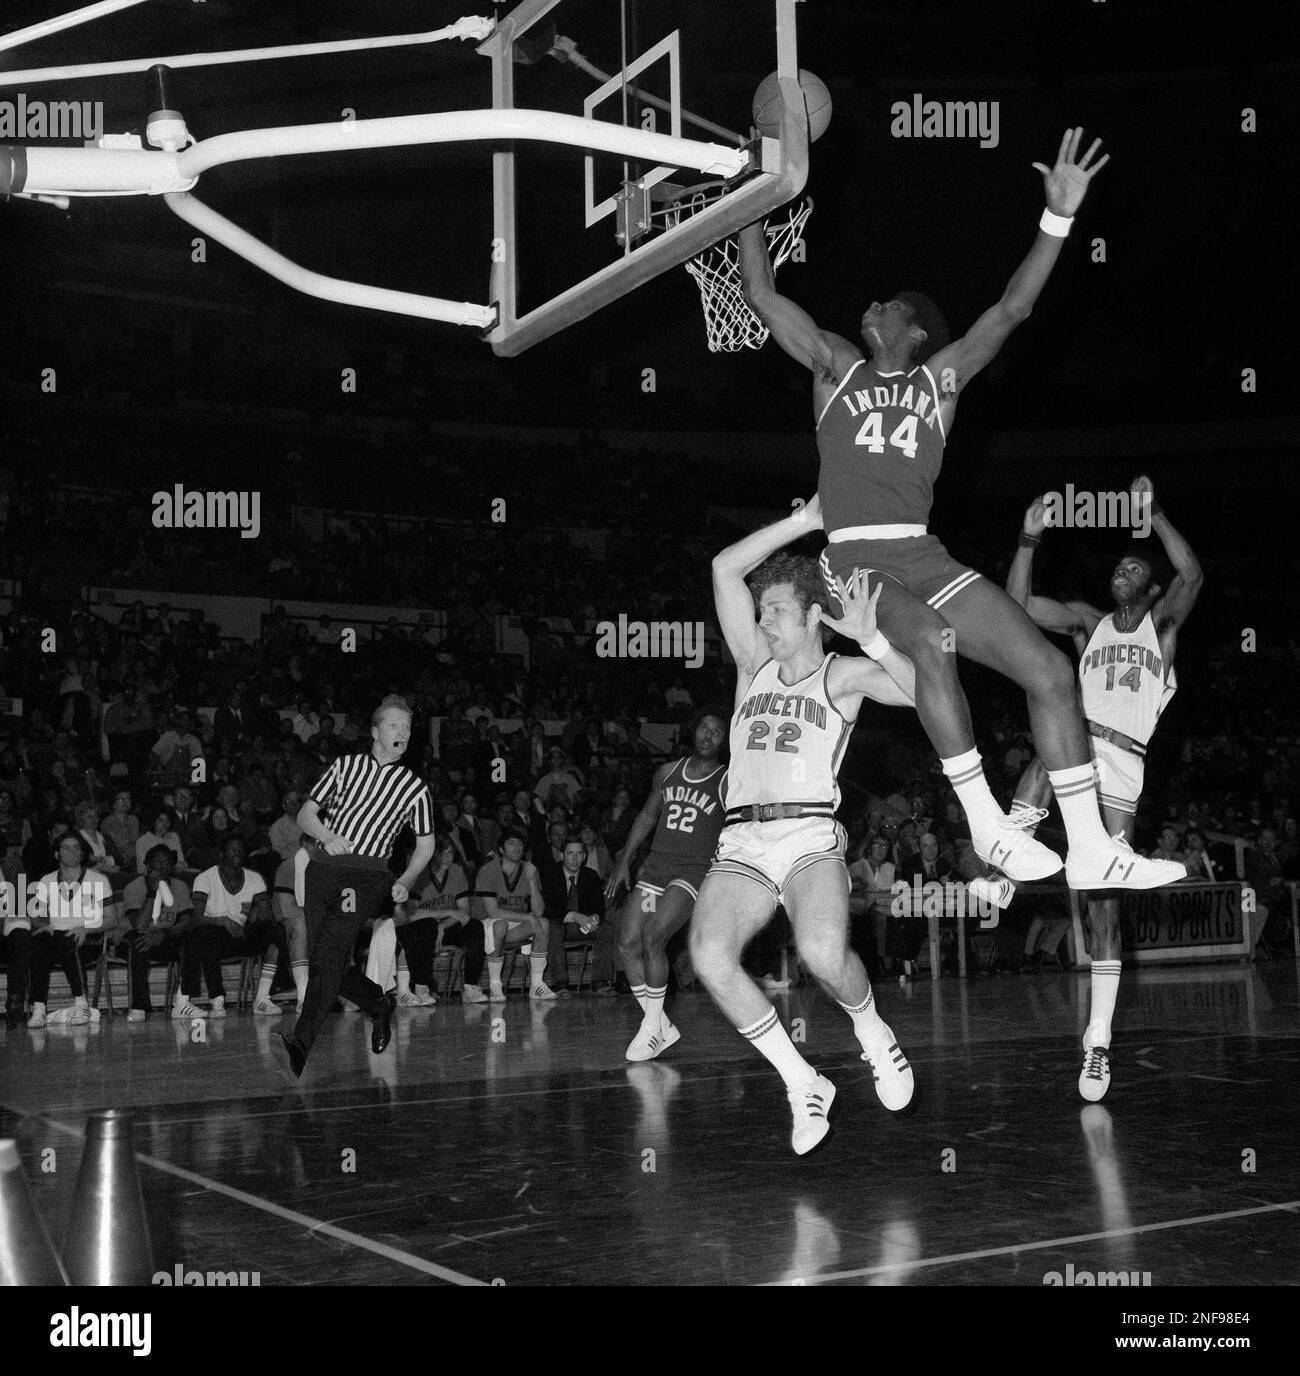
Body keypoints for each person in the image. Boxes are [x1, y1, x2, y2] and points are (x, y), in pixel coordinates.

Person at [739, 129, 1182, 901]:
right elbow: (762, 295)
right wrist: (747, 202)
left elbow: (1011, 310)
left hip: (923, 553)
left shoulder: (939, 381)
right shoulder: (835, 367)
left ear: (914, 334)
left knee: (1048, 671)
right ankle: (987, 826)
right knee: (933, 648)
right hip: (851, 561)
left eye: (893, 305)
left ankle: (1090, 849)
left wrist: (1058, 219)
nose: (874, 303)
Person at [689, 498, 918, 1155]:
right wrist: (804, 520)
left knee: (821, 955)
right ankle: (802, 1081)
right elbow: (724, 567)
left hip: (809, 837)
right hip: (742, 841)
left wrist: (872, 636)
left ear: (815, 615)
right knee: (709, 956)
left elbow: (916, 691)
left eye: (778, 610)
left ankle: (875, 1033)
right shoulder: (751, 665)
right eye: (762, 613)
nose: (765, 621)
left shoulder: (840, 674)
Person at [991, 475, 1201, 1100]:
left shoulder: (1160, 628)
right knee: (1046, 759)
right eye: (1118, 567)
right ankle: (1005, 872)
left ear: (1151, 587)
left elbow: (1191, 575)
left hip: (1126, 768)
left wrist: (1153, 514)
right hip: (1080, 741)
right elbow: (1016, 608)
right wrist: (1028, 539)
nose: (1121, 573)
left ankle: (1099, 1042)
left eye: (1134, 567)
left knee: (1102, 911)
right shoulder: (1088, 625)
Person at [271, 697, 436, 1078]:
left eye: (408, 727)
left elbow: (426, 845)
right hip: (322, 870)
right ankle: (377, 1004)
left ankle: (300, 1044)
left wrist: (406, 879)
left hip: (367, 874)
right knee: (323, 960)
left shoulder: (414, 787)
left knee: (328, 954)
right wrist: (327, 836)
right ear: (376, 731)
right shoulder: (346, 766)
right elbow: (306, 813)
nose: (403, 732)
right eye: (395, 725)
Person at [605, 708, 728, 1060]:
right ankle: (659, 1026)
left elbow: (740, 826)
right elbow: (646, 816)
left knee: (653, 937)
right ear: (693, 733)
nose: (708, 735)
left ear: (723, 740)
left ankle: (650, 1029)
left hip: (691, 872)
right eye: (703, 728)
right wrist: (623, 862)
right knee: (627, 944)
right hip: (656, 867)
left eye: (716, 731)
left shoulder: (727, 780)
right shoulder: (667, 772)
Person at [181, 836, 280, 1019]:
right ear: (222, 853)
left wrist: (259, 915)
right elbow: (197, 917)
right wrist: (223, 921)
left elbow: (268, 914)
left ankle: (262, 999)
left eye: (241, 849)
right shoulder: (205, 878)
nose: (237, 852)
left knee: (275, 931)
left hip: (241, 933)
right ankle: (217, 1000)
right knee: (205, 935)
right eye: (232, 849)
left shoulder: (254, 878)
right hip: (215, 934)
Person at [24, 834, 117, 1028]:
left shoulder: (98, 880)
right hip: (56, 936)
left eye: (76, 848)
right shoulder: (46, 881)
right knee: (39, 944)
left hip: (89, 937)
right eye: (66, 848)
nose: (72, 852)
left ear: (83, 854)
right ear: (57, 854)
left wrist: (87, 928)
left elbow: (111, 919)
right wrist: (44, 926)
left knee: (68, 942)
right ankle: (39, 1008)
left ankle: (81, 1003)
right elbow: (35, 917)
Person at [395, 832, 485, 1005]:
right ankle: (421, 986)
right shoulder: (419, 873)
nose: (447, 858)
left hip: (444, 927)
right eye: (441, 853)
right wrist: (447, 913)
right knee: (427, 926)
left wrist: (442, 926)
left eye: (450, 853)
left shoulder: (457, 871)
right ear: (431, 855)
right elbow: (411, 914)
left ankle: (471, 987)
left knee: (475, 926)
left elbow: (464, 911)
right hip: (418, 927)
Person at [474, 830, 553, 1002]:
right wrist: (528, 918)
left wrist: (532, 881)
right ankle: (495, 986)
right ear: (501, 850)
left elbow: (538, 911)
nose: (517, 847)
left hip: (516, 924)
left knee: (544, 923)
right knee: (500, 924)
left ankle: (537, 985)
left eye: (519, 843)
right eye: (511, 843)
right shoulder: (488, 870)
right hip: (487, 923)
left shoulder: (529, 870)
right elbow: (493, 912)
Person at [118, 844, 192, 1022]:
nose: (162, 866)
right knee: (139, 942)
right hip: (132, 940)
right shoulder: (134, 887)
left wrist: (164, 934)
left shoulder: (179, 886)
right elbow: (140, 925)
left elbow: (187, 921)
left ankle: (182, 1003)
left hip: (164, 937)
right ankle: (139, 1007)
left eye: (166, 863)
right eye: (157, 862)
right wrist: (152, 891)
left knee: (191, 940)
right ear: (147, 866)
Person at [540, 837, 609, 993]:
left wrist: (595, 917)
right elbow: (549, 910)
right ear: (562, 855)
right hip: (561, 923)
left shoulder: (591, 875)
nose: (575, 858)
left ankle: (600, 980)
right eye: (570, 853)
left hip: (585, 925)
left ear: (584, 857)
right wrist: (575, 916)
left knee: (606, 929)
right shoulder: (550, 874)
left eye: (579, 854)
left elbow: (599, 908)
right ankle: (561, 983)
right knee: (553, 928)